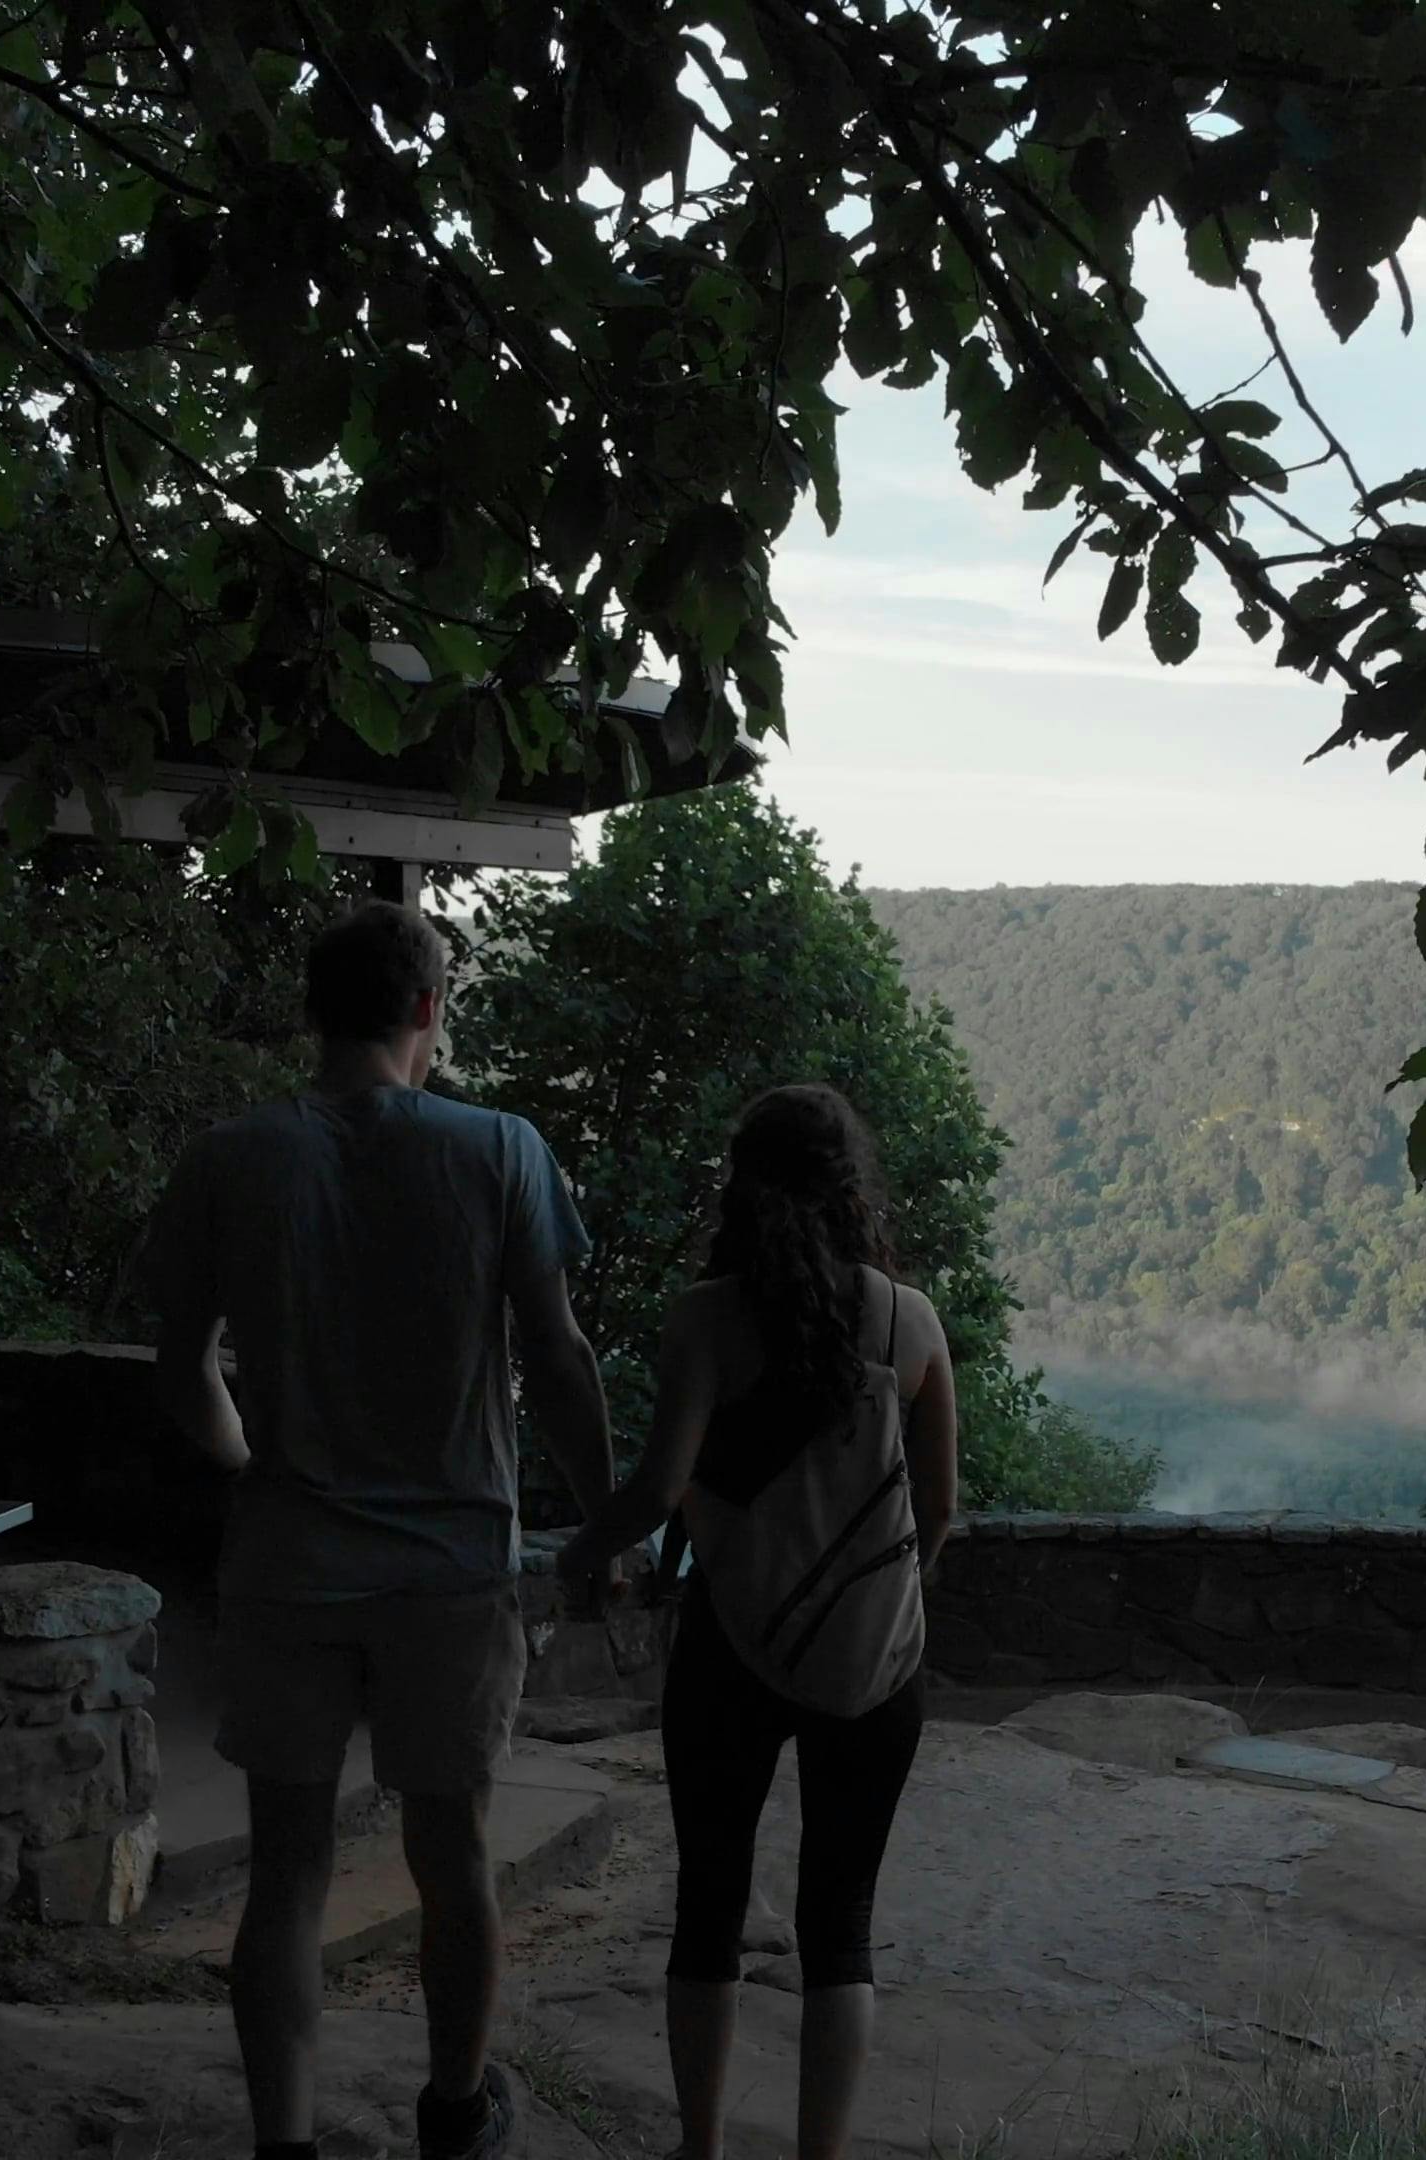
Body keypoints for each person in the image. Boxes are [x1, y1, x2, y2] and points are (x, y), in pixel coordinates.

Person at [144, 898, 617, 2160]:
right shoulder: (501, 1149)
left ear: (314, 1010)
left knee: (288, 1871)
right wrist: (608, 1521)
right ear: (427, 1008)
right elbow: (559, 1360)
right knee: (452, 1859)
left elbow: (183, 1373)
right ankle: (455, 2114)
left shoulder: (231, 1159)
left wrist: (253, 1465)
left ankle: (285, 2142)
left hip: (288, 1564)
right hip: (451, 1573)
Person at [559, 1084, 960, 2160]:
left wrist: (583, 1551)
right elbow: (937, 1510)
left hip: (730, 1648)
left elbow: (660, 1489)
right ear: (852, 1187)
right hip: (876, 1664)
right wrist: (878, 1600)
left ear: (740, 1183)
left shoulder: (705, 1318)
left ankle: (701, 2149)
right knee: (841, 1929)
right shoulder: (909, 1321)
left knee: (710, 1906)